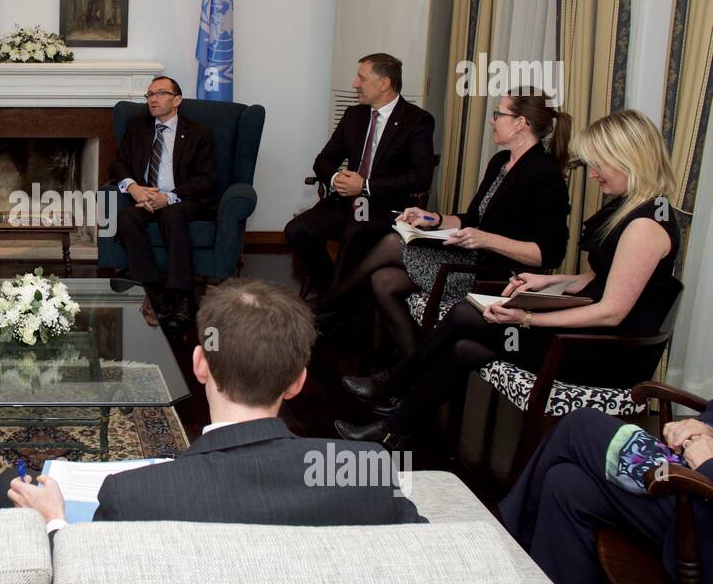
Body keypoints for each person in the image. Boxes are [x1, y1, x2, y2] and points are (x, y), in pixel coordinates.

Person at [338, 110, 683, 449]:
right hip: (590, 336)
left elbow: (612, 312)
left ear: (628, 158)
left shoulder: (644, 226)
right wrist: (550, 282)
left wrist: (529, 318)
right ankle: (393, 426)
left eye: (600, 164)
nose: (593, 174)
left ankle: (392, 389)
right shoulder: (636, 208)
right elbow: (604, 277)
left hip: (603, 353)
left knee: (466, 316)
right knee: (465, 344)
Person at [0, 278, 423, 528]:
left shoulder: (133, 495)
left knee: (4, 489)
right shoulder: (366, 471)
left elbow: (93, 583)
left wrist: (55, 523)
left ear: (200, 365)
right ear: (297, 382)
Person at [321, 89, 571, 356]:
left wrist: (486, 239)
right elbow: (473, 220)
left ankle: (327, 307)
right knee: (384, 280)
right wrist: (433, 219)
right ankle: (413, 372)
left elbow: (549, 254)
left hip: (494, 275)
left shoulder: (543, 174)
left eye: (499, 114)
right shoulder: (501, 161)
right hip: (471, 258)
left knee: (393, 242)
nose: (492, 120)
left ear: (520, 123)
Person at [499, 405, 713, 584]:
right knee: (565, 484)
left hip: (703, 514)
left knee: (580, 424)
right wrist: (705, 428)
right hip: (697, 497)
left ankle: (510, 558)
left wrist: (708, 463)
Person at [284, 53, 436, 300]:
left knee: (356, 231)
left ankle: (331, 303)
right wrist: (335, 179)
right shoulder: (354, 115)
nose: (355, 84)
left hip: (385, 205)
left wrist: (365, 185)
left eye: (361, 78)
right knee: (297, 230)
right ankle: (333, 292)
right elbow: (323, 160)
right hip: (346, 202)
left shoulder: (416, 121)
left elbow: (420, 178)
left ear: (384, 83)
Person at [110, 76, 218, 329]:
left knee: (173, 215)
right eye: (149, 95)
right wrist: (135, 189)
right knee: (126, 217)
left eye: (160, 94)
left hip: (182, 199)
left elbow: (207, 179)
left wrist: (168, 197)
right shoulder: (137, 127)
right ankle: (153, 290)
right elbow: (117, 163)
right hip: (145, 197)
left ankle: (180, 296)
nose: (153, 100)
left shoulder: (198, 133)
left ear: (177, 100)